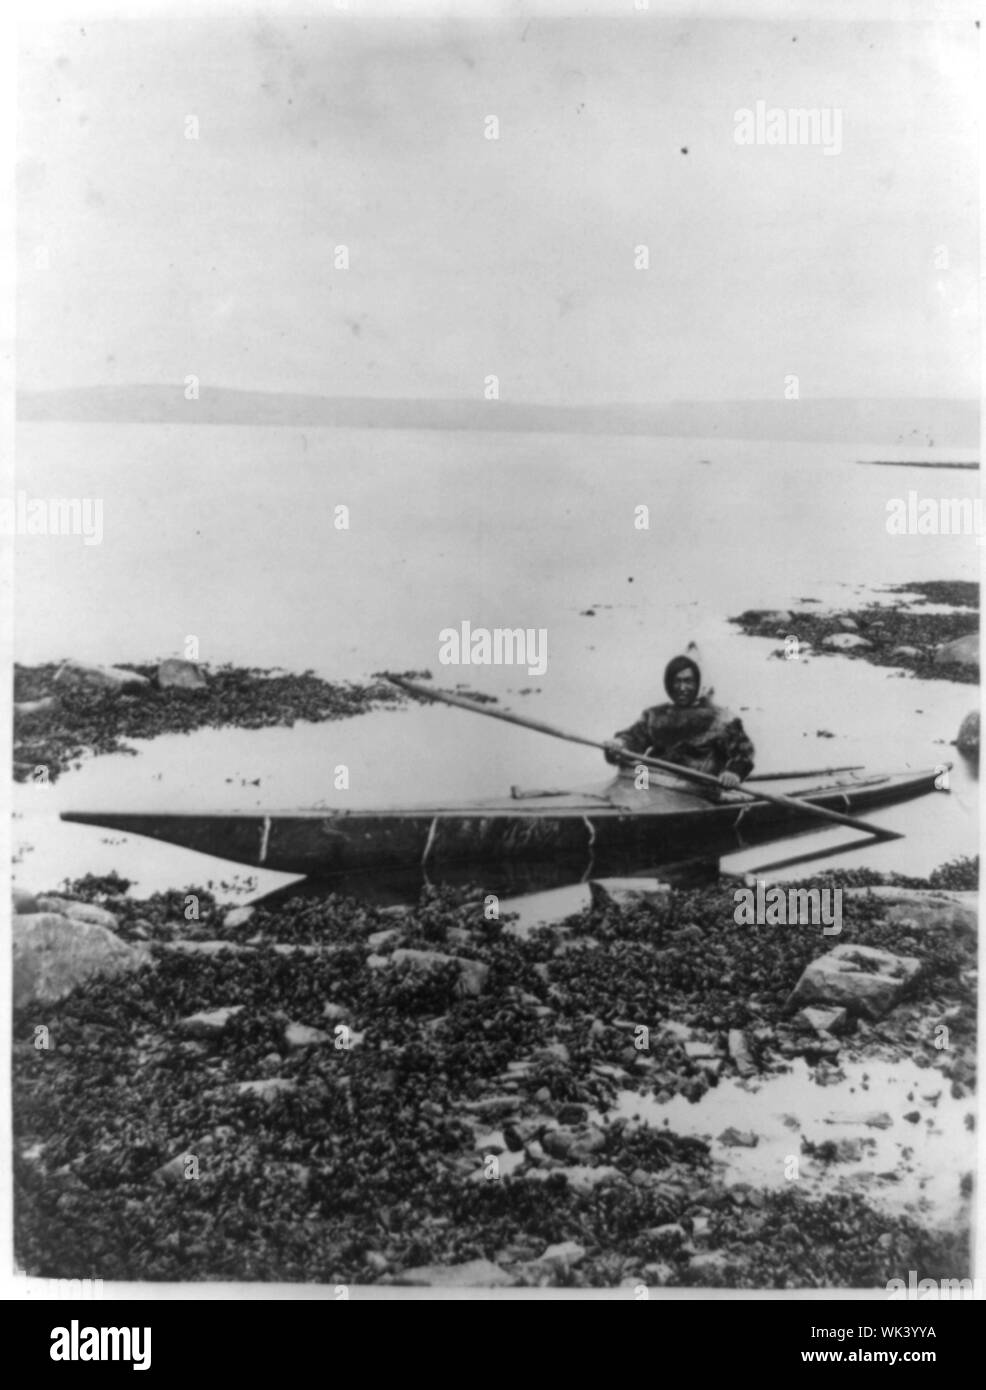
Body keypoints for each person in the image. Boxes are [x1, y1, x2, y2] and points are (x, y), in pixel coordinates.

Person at [603, 655, 754, 792]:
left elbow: (744, 753)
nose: (682, 688)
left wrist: (733, 772)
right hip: (649, 780)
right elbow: (634, 738)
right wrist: (619, 744)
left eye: (688, 681)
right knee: (635, 778)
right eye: (677, 681)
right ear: (669, 684)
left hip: (693, 789)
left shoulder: (722, 719)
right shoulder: (655, 715)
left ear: (698, 683)